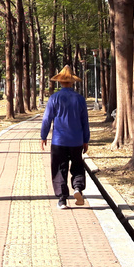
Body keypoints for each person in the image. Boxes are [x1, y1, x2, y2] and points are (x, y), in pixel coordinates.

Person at [40, 65, 91, 209]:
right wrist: (85, 140)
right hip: (76, 141)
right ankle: (77, 188)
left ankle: (62, 199)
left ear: (60, 82)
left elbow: (47, 119)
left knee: (59, 168)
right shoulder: (80, 99)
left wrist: (43, 136)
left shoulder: (54, 98)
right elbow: (84, 121)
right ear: (72, 82)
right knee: (77, 165)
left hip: (59, 140)